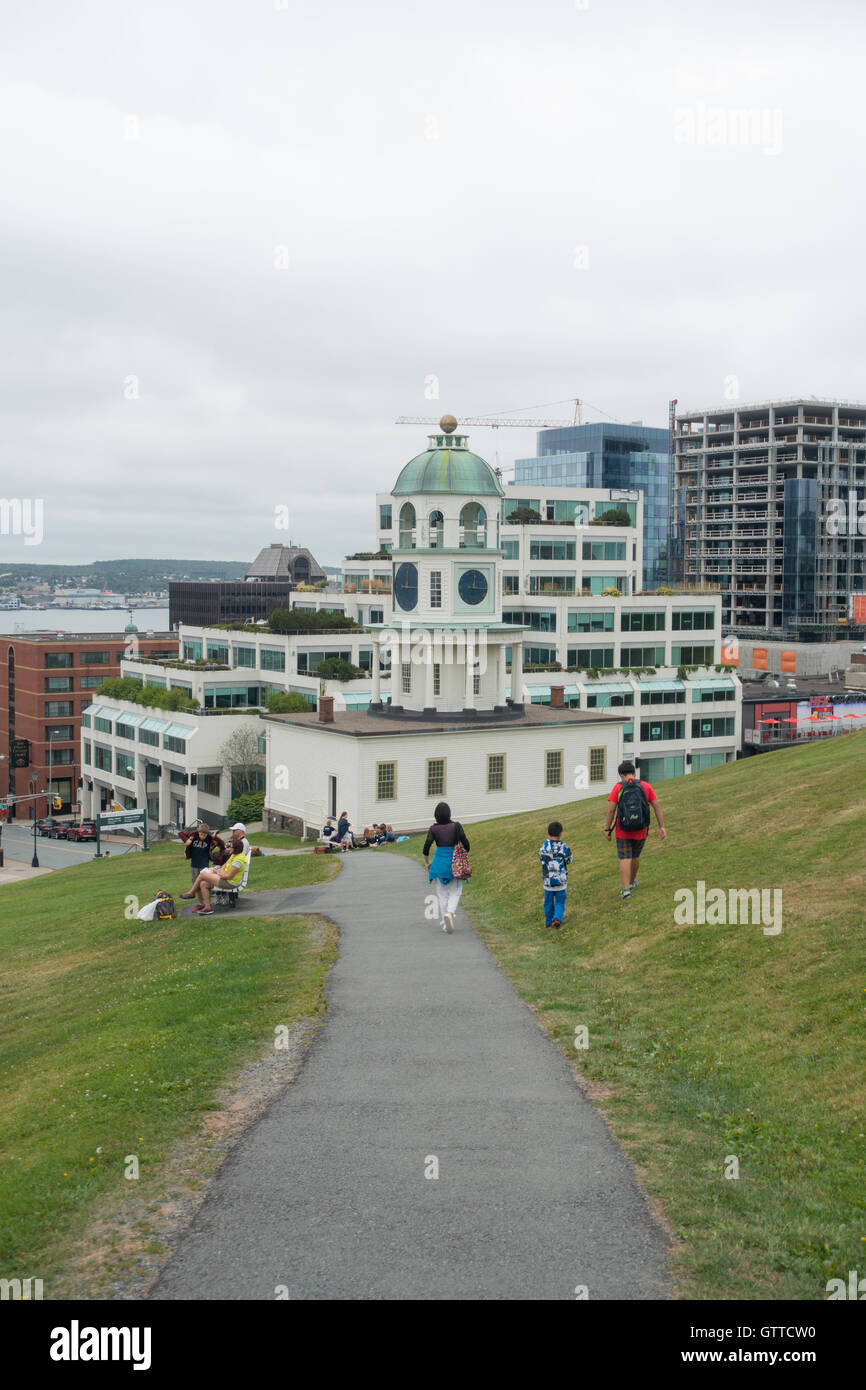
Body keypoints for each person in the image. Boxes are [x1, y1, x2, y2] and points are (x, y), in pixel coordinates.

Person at [603, 760, 666, 901]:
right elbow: (657, 806)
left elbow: (611, 810)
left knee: (625, 857)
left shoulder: (618, 787)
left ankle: (626, 890)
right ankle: (632, 882)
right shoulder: (645, 786)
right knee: (635, 856)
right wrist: (661, 827)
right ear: (634, 772)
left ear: (621, 775)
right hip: (641, 828)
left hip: (622, 829)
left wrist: (607, 828)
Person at [423, 801, 470, 934]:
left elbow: (426, 848)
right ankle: (449, 913)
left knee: (442, 893)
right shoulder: (456, 826)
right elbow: (467, 845)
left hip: (438, 862)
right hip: (454, 863)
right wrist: (462, 855)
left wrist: (427, 863)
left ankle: (445, 923)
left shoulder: (433, 829)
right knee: (455, 891)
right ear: (449, 813)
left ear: (436, 815)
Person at [180, 830, 249, 916]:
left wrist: (218, 873)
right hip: (225, 878)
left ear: (235, 848)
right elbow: (224, 865)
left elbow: (228, 876)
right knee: (203, 883)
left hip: (230, 883)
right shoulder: (234, 854)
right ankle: (208, 908)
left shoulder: (238, 860)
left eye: (230, 847)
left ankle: (191, 893)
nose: (228, 848)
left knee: (202, 875)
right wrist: (220, 871)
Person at [539, 820, 572, 929]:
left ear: (548, 833)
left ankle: (548, 921)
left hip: (548, 881)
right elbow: (569, 860)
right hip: (561, 880)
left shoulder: (544, 846)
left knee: (548, 902)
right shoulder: (564, 846)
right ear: (560, 833)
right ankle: (557, 918)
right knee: (560, 901)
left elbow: (542, 860)